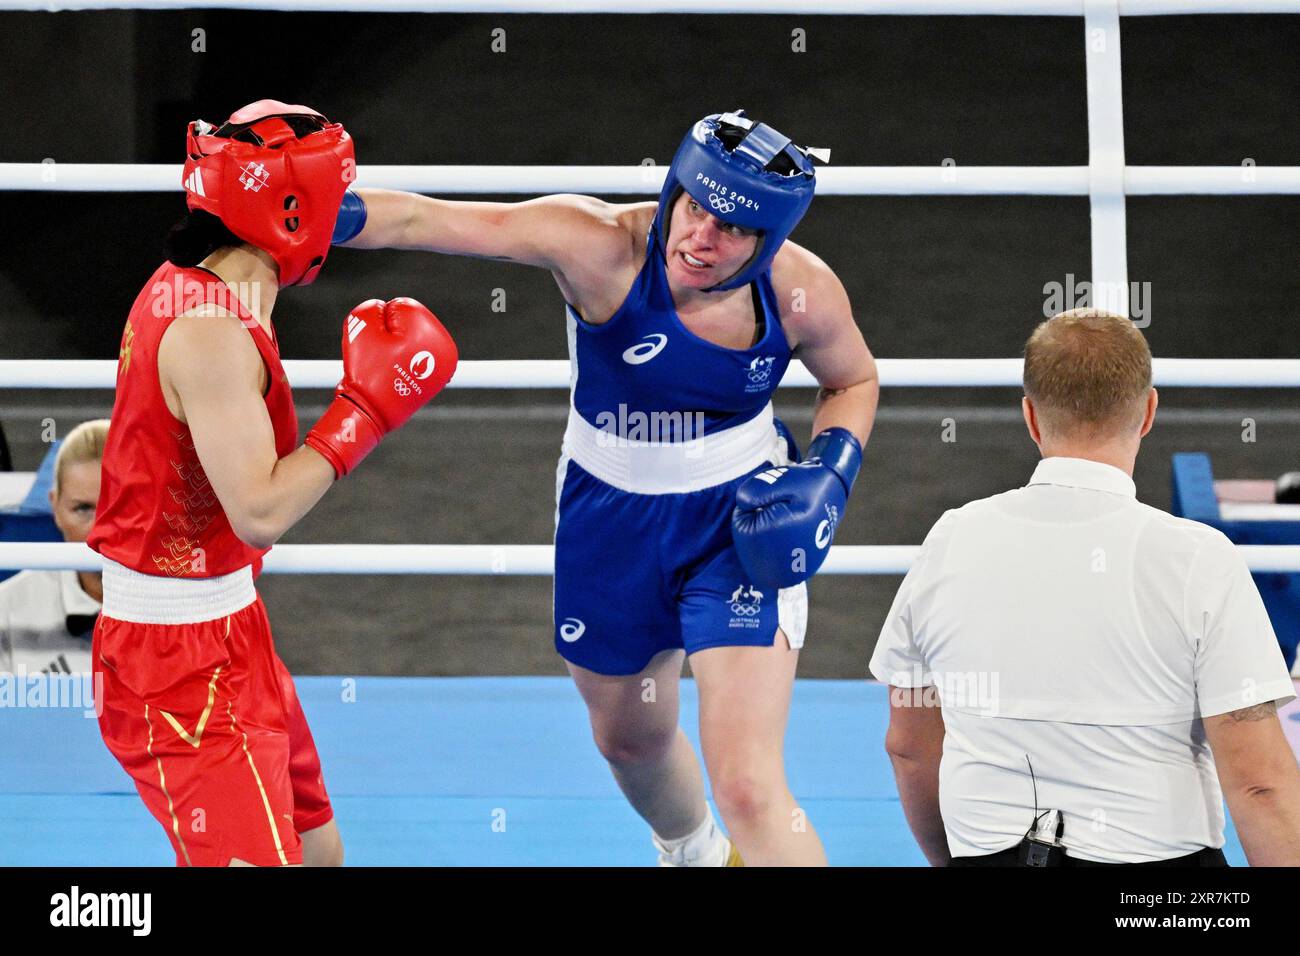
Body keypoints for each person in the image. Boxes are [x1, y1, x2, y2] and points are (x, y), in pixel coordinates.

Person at [336, 110, 879, 865]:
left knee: (750, 786)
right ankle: (693, 855)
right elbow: (432, 219)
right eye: (694, 207)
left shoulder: (800, 293)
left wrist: (830, 471)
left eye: (731, 229)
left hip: (739, 523)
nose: (701, 237)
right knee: (630, 740)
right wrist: (301, 213)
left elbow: (851, 379)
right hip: (607, 515)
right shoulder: (597, 246)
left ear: (769, 241)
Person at [86, 100, 458, 867]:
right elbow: (258, 510)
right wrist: (364, 413)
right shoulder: (209, 333)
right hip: (175, 663)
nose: (346, 214)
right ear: (292, 213)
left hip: (233, 631)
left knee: (319, 853)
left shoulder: (212, 278)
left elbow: (405, 216)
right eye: (334, 198)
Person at [871, 308, 1300, 867]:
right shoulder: (1199, 560)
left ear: (1030, 416)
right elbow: (1259, 786)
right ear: (1148, 412)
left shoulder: (949, 541)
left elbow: (909, 746)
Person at [0, 419, 108, 674]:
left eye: (116, 507)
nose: (100, 529)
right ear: (55, 507)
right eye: (83, 509)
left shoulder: (188, 607)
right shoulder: (6, 608)